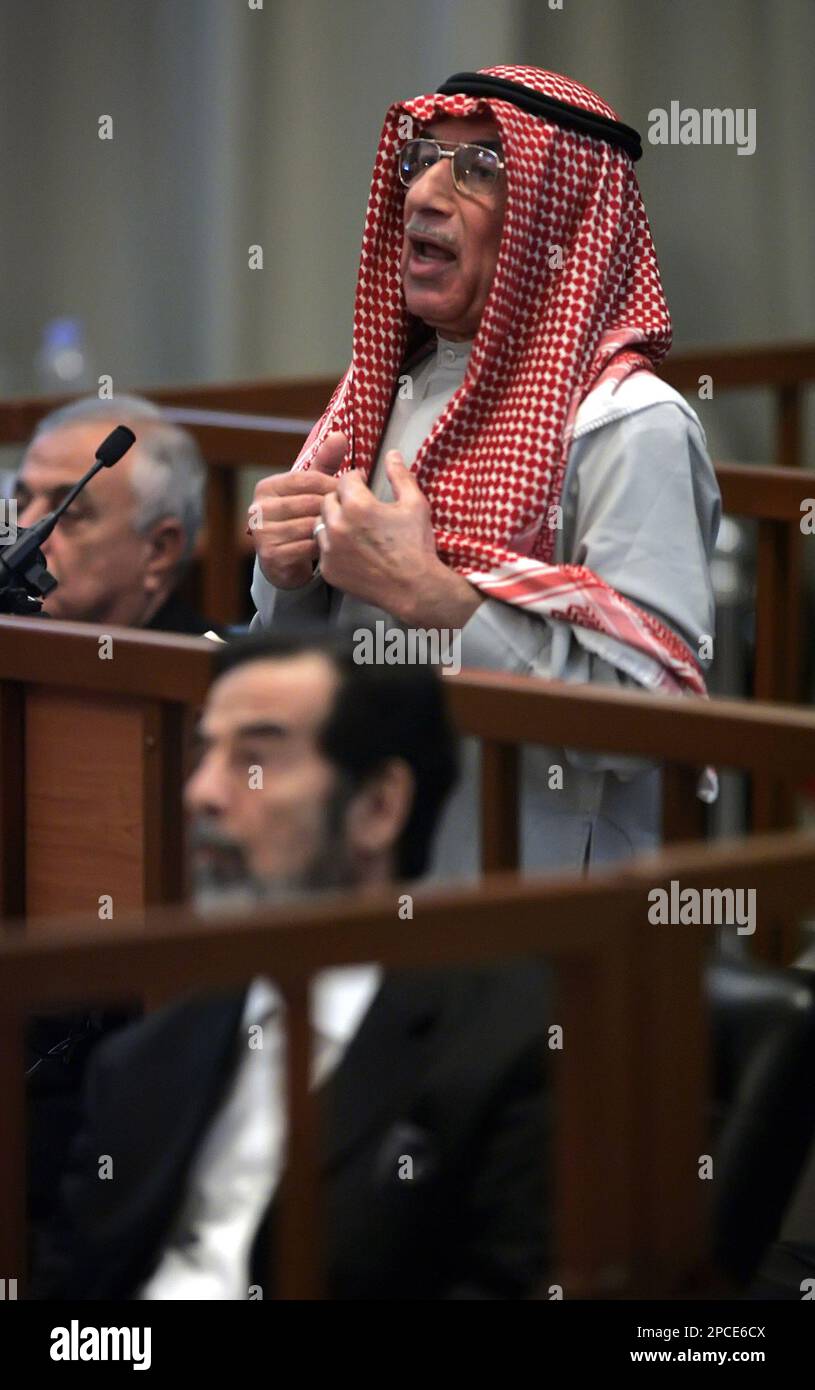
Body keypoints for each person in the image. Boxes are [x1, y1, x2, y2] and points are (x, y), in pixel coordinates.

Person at [249, 65, 721, 878]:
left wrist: (432, 599)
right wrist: (286, 579)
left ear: (559, 223)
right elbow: (293, 657)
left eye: (478, 170)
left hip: (536, 908)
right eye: (425, 157)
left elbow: (651, 723)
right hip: (362, 872)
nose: (424, 192)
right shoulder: (374, 393)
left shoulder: (627, 425)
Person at [34, 631, 553, 1301]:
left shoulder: (513, 1046)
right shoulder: (144, 1060)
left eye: (254, 760)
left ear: (377, 807)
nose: (202, 794)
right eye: (204, 753)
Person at [12, 394, 210, 633]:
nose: (22, 528)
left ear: (159, 551)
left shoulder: (214, 667)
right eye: (21, 504)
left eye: (69, 513)